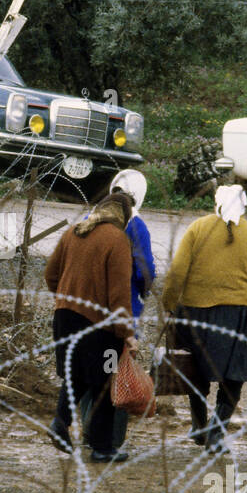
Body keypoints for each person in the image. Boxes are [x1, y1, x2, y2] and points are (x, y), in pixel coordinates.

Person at [160, 185, 247, 454]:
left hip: (194, 311)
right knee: (233, 376)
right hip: (237, 314)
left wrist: (169, 304)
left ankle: (199, 426)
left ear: (217, 203)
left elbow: (176, 272)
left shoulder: (198, 228)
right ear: (244, 206)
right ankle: (217, 432)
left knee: (195, 371)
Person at [44, 191, 138, 463]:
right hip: (99, 327)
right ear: (123, 216)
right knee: (105, 382)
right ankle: (102, 447)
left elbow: (50, 275)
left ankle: (60, 425)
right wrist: (127, 333)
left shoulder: (74, 231)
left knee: (76, 374)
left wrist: (68, 296)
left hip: (65, 318)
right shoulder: (117, 240)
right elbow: (119, 294)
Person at [96, 170, 154, 451]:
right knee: (117, 371)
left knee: (97, 370)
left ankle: (89, 433)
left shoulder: (92, 218)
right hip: (125, 309)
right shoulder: (136, 225)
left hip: (92, 309)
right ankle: (112, 439)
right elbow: (145, 271)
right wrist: (143, 291)